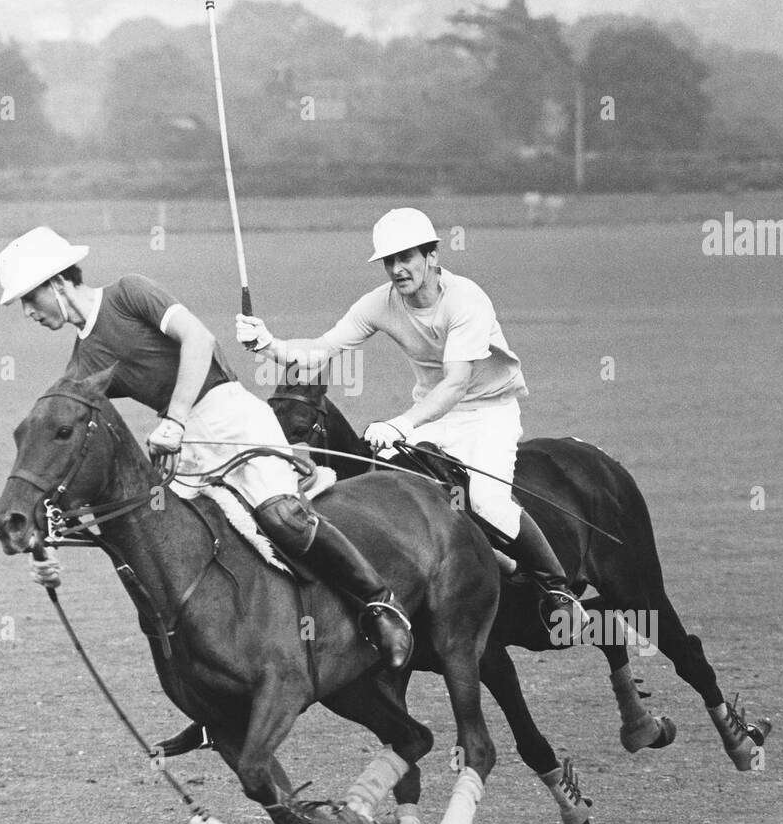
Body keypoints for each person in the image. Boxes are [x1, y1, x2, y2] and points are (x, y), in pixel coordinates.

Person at [0, 228, 415, 703]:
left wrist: (174, 418)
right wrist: (42, 544)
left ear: (56, 283)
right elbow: (55, 434)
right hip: (185, 446)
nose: (29, 313)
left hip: (228, 414)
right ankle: (219, 688)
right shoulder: (82, 364)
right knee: (176, 551)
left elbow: (199, 339)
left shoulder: (129, 293)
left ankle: (382, 605)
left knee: (282, 518)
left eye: (29, 299)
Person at [236, 207, 590, 646]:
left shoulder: (466, 300)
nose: (398, 269)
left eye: (407, 258)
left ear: (432, 256)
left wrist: (401, 424)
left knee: (487, 500)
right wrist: (269, 344)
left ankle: (557, 588)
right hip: (433, 414)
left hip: (487, 413)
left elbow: (458, 382)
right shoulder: (379, 304)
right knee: (387, 480)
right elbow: (321, 350)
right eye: (390, 261)